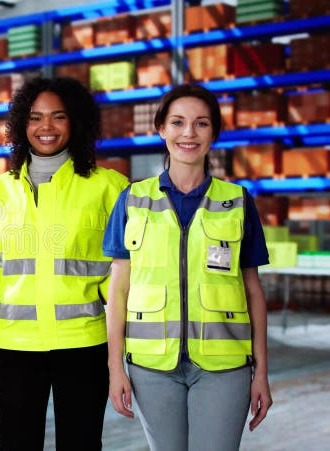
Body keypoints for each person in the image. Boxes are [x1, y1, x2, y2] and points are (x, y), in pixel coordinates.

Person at [103, 83, 273, 450]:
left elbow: (254, 292)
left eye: (201, 124)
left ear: (214, 132)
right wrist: (115, 368)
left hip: (225, 366)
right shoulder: (133, 201)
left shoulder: (238, 202)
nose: (188, 134)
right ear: (161, 129)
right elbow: (117, 291)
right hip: (151, 367)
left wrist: (261, 373)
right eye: (178, 122)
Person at [0, 76, 129, 450]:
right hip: (14, 349)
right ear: (22, 124)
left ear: (76, 122)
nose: (46, 127)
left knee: (82, 444)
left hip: (85, 344)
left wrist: (123, 354)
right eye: (36, 117)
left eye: (58, 117)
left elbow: (124, 282)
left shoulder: (109, 188)